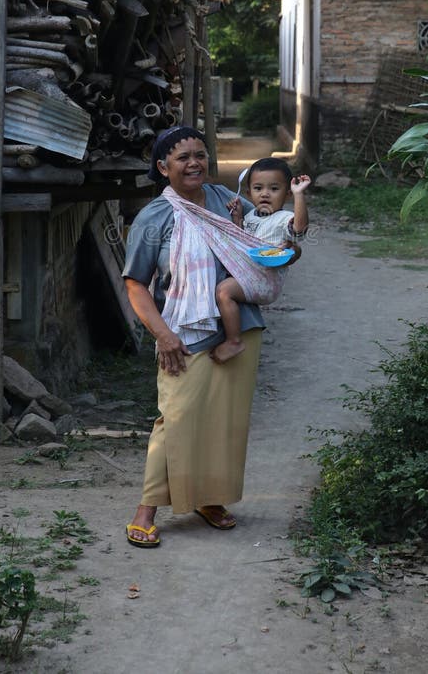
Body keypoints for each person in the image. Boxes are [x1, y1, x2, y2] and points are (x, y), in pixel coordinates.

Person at [123, 125, 282, 548]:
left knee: (225, 421)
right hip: (185, 332)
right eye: (182, 157)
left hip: (239, 325)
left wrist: (292, 233)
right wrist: (163, 335)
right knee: (174, 418)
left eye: (199, 154)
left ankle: (209, 499)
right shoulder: (154, 217)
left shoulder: (226, 200)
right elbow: (136, 284)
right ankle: (147, 508)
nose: (194, 163)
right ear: (163, 167)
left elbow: (264, 235)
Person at [211, 158, 310, 364]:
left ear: (287, 193)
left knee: (223, 292)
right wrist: (238, 219)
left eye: (274, 188)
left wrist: (300, 195)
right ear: (249, 193)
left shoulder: (284, 218)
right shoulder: (251, 217)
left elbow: (299, 229)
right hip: (251, 274)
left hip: (266, 281)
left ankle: (234, 341)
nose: (265, 194)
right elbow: (240, 243)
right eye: (258, 188)